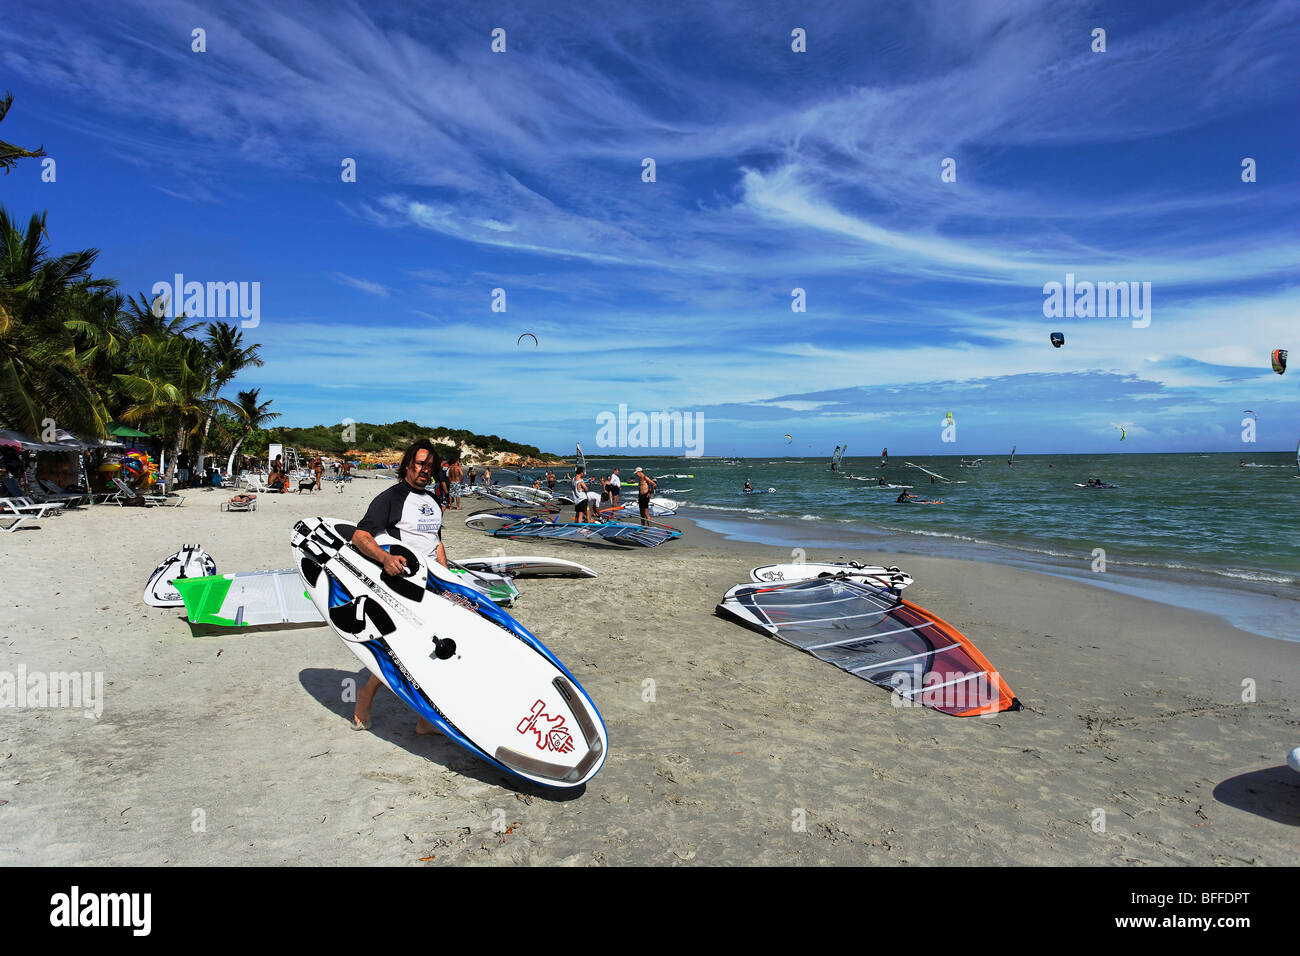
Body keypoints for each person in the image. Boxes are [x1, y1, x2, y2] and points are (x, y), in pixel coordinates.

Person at [349, 439, 447, 736]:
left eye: (429, 466)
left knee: (435, 648)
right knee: (404, 650)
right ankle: (366, 693)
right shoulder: (391, 498)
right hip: (403, 585)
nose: (424, 470)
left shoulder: (432, 500)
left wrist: (448, 579)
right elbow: (360, 536)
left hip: (433, 586)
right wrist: (384, 557)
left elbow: (436, 543)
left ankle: (423, 720)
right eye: (419, 464)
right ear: (407, 465)